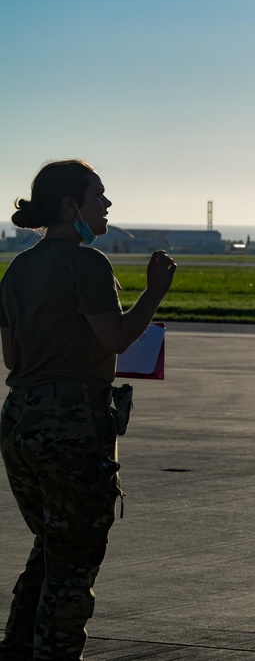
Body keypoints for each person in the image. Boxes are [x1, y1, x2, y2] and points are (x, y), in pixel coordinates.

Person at [0, 159, 176, 661]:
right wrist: (154, 295)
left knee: (54, 544)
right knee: (74, 558)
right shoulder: (86, 264)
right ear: (70, 205)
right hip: (71, 427)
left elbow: (11, 358)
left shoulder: (19, 269)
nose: (107, 205)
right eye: (99, 196)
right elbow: (118, 337)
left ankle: (17, 646)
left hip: (21, 421)